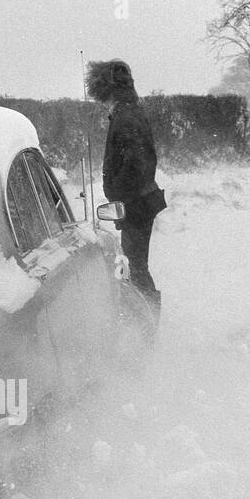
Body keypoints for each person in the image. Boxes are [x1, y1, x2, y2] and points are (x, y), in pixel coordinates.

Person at [87, 59, 165, 339]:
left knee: (136, 266)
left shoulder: (125, 116)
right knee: (135, 264)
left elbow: (136, 162)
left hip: (136, 203)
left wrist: (118, 193)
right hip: (139, 201)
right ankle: (146, 321)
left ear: (105, 90)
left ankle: (146, 326)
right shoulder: (130, 111)